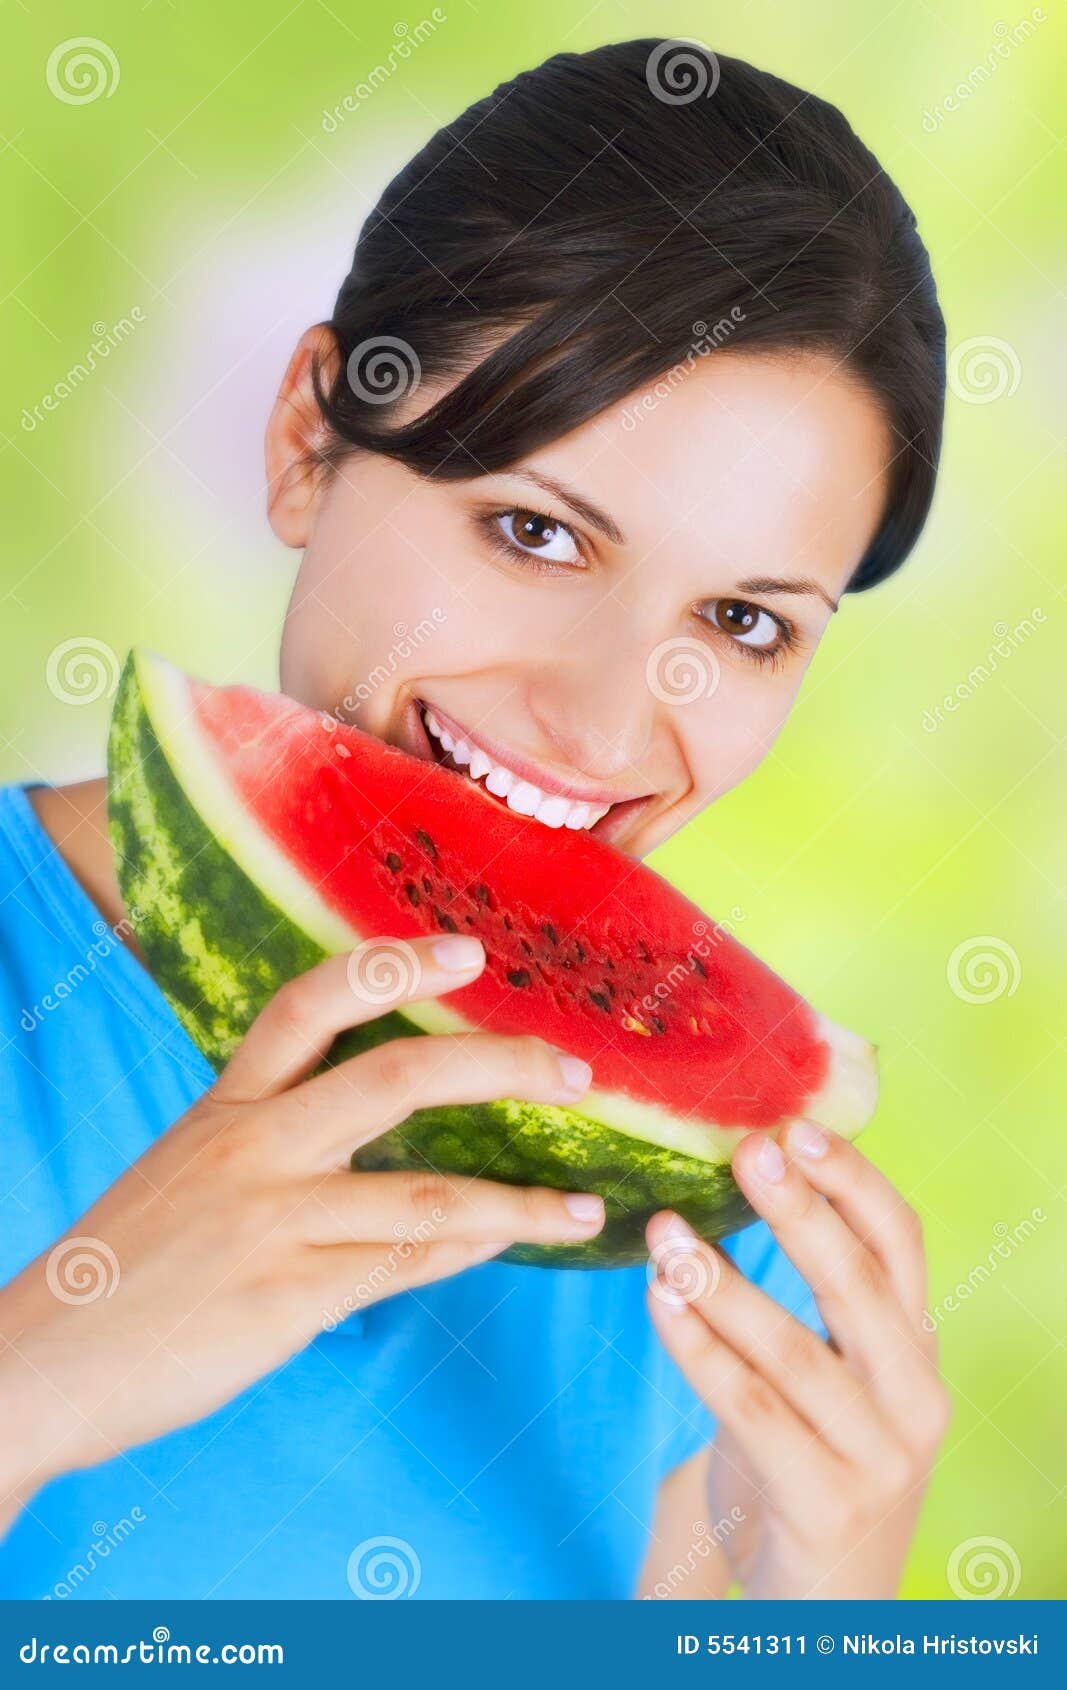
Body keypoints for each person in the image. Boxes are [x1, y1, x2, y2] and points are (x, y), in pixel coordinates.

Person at [0, 40, 950, 1599]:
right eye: (533, 530)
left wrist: (822, 1596)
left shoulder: (711, 1246)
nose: (598, 722)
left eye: (744, 619)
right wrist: (35, 1375)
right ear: (311, 439)